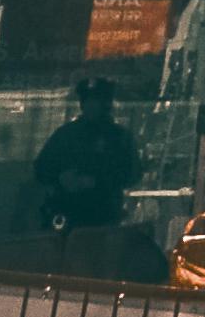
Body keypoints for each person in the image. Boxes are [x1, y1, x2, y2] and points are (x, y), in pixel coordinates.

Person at [35, 78, 136, 232]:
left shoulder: (119, 137)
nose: (91, 105)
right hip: (66, 216)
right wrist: (60, 178)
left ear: (106, 103)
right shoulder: (65, 134)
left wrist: (96, 182)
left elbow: (132, 173)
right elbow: (41, 167)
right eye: (87, 100)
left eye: (96, 100)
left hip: (103, 217)